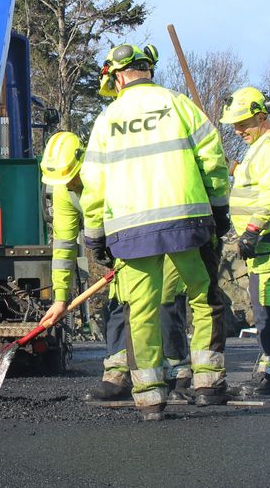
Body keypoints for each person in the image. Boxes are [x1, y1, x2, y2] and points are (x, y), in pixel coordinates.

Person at [79, 44, 233, 421]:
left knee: (141, 310)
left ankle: (149, 399)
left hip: (130, 231)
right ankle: (208, 385)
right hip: (187, 222)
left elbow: (93, 187)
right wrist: (219, 208)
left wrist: (95, 236)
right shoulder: (179, 105)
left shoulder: (106, 121)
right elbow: (212, 160)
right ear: (148, 69)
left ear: (116, 77)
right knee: (202, 297)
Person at [38, 132, 192, 402]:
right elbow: (63, 247)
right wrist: (61, 297)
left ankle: (177, 374)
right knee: (118, 306)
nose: (71, 184)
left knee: (165, 302)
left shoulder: (115, 173)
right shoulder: (64, 191)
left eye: (73, 177)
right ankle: (118, 376)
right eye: (64, 181)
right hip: (118, 252)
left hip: (157, 240)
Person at [220, 86, 270, 395]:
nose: (238, 130)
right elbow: (253, 180)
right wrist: (232, 168)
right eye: (235, 125)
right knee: (263, 304)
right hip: (264, 242)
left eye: (243, 124)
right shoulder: (260, 148)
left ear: (261, 116)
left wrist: (253, 229)